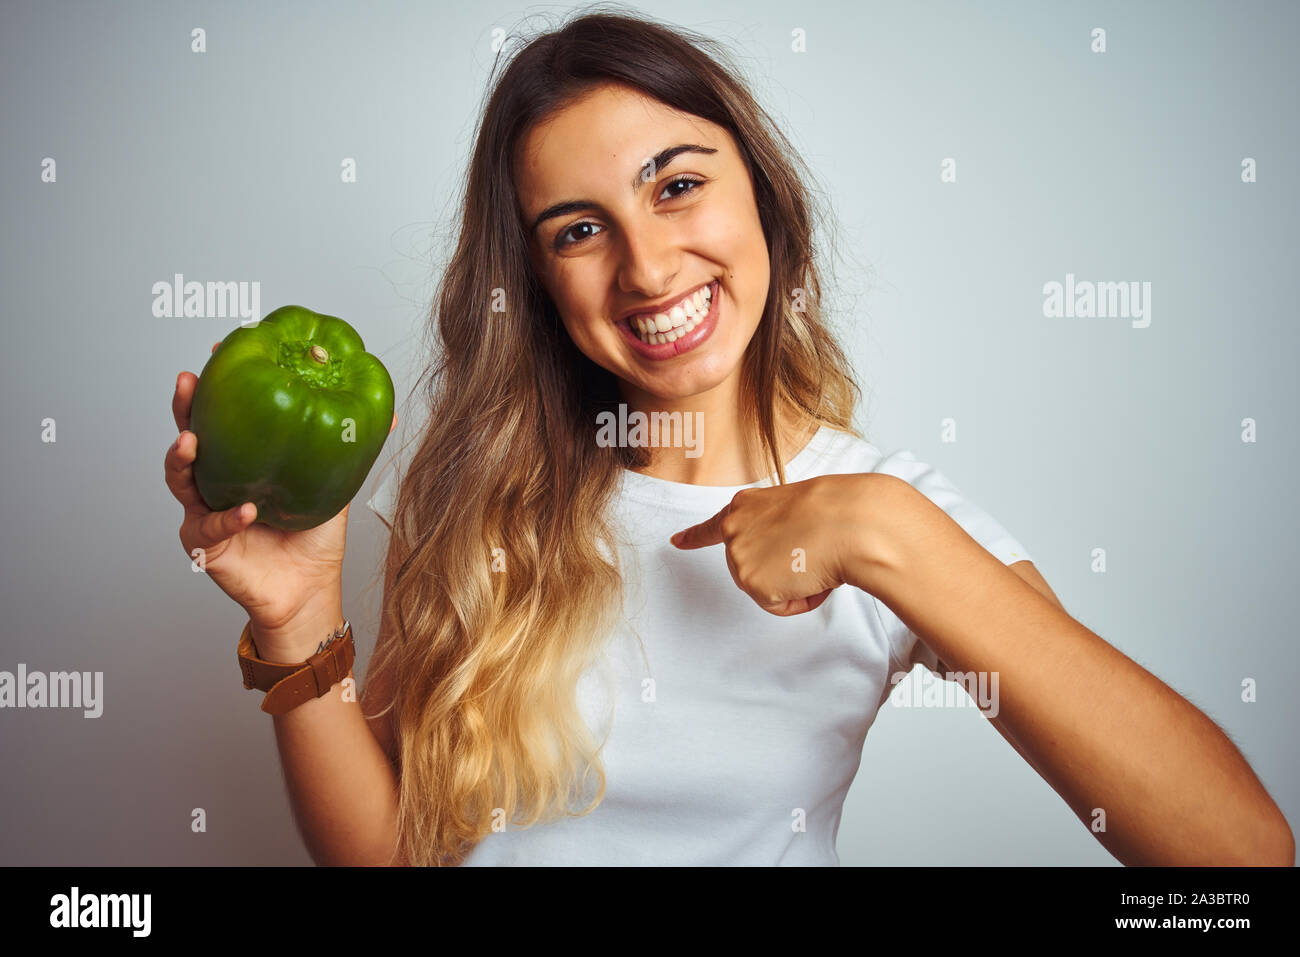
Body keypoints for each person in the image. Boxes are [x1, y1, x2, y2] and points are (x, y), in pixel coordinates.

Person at [163, 9, 1293, 867]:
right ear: (539, 283)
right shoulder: (481, 498)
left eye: (678, 185)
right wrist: (299, 619)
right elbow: (392, 858)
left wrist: (887, 531)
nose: (647, 269)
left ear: (762, 196)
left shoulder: (888, 512)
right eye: (579, 229)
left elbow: (1238, 858)